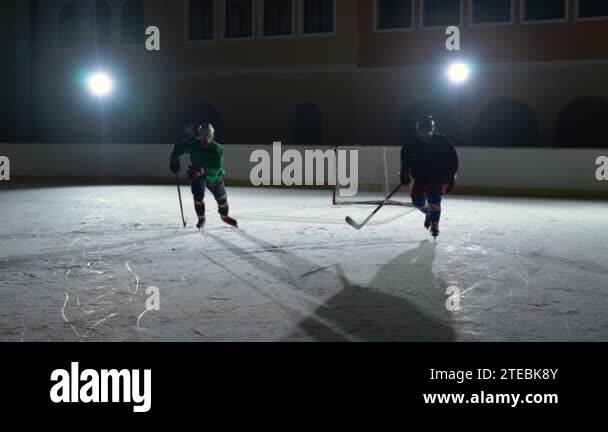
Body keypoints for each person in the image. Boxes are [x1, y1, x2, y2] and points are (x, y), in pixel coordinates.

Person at [170, 123, 238, 230]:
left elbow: (216, 168)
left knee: (222, 200)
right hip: (198, 176)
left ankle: (224, 216)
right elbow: (179, 146)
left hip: (213, 177)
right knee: (198, 197)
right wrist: (174, 157)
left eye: (208, 136)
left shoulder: (217, 149)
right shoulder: (193, 143)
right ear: (199, 135)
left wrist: (202, 171)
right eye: (203, 135)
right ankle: (201, 218)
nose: (206, 138)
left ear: (212, 135)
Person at [400, 115, 459, 238]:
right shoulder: (410, 144)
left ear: (432, 129)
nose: (425, 133)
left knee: (434, 199)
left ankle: (435, 225)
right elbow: (405, 162)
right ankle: (428, 213)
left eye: (428, 130)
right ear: (418, 130)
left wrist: (451, 176)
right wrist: (404, 173)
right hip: (420, 178)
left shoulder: (443, 141)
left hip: (438, 177)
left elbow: (453, 160)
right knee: (417, 202)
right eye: (422, 130)